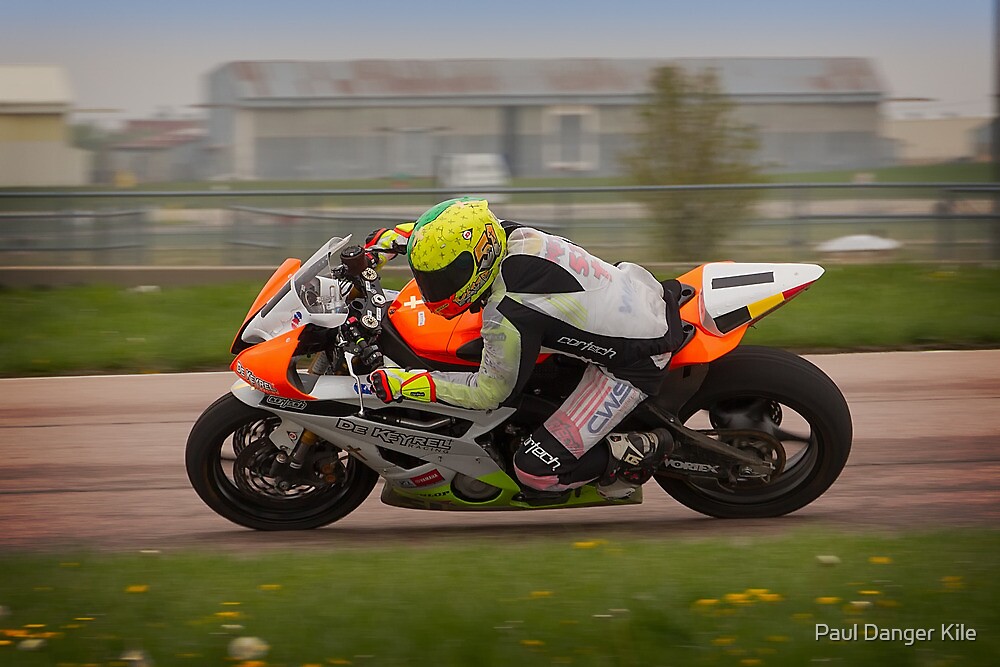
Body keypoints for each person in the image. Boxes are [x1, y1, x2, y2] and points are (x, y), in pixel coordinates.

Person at [365, 197, 676, 501]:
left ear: (478, 262)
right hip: (635, 291)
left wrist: (409, 384)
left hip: (631, 364)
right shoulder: (505, 236)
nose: (434, 287)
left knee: (535, 470)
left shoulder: (509, 310)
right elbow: (452, 235)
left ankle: (634, 452)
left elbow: (490, 392)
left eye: (445, 277)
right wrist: (398, 239)